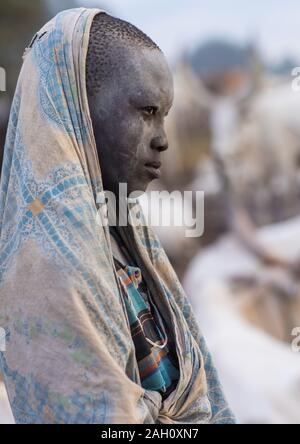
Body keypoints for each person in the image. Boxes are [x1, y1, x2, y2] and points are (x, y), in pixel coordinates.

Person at [0, 8, 235, 424]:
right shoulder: (51, 266)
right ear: (80, 112)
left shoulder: (121, 232)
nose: (163, 139)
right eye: (146, 112)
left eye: (164, 114)